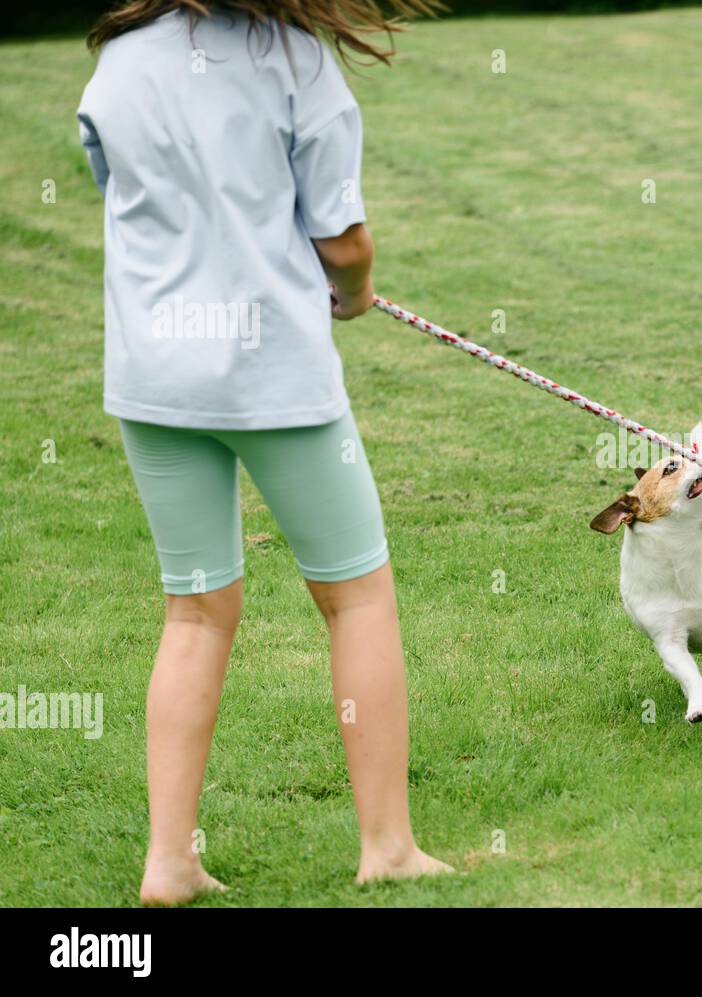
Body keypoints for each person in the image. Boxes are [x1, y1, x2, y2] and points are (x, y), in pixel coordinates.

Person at [77, 0, 447, 905]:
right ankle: (388, 847)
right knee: (357, 596)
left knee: (195, 611)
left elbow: (129, 195)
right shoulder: (296, 59)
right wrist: (354, 290)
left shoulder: (116, 63)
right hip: (271, 377)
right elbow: (344, 240)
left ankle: (169, 865)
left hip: (155, 380)